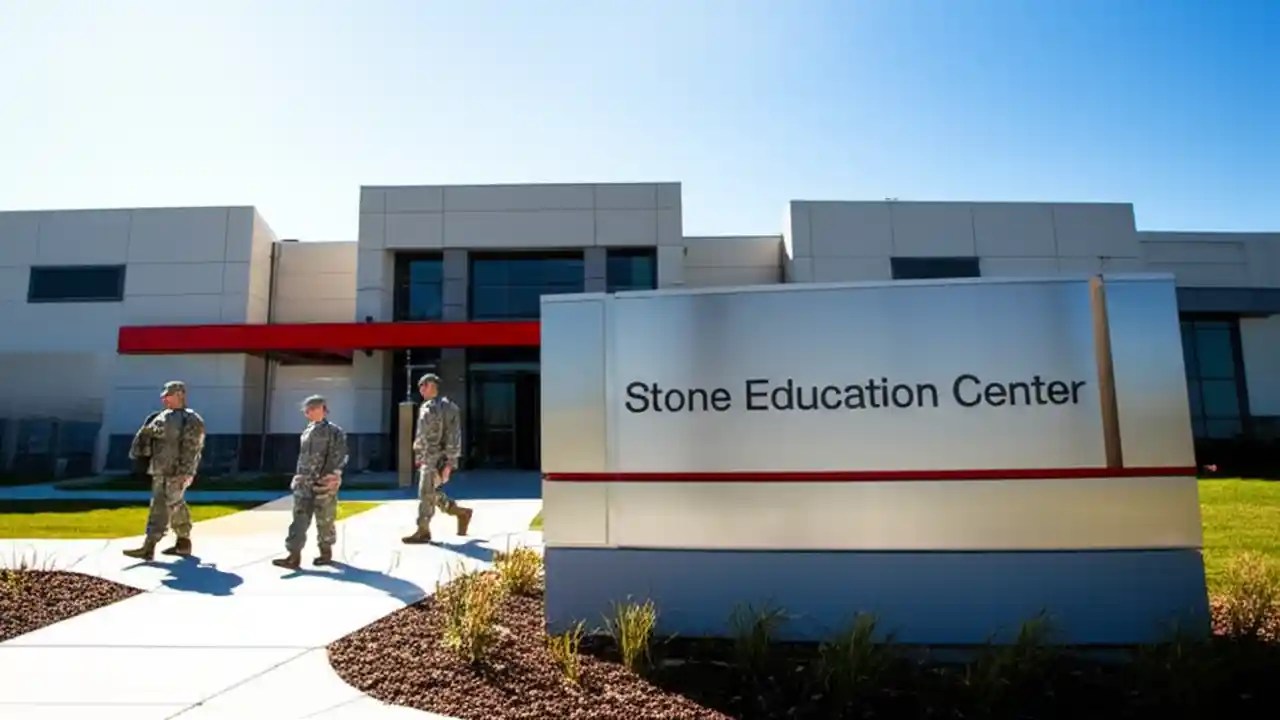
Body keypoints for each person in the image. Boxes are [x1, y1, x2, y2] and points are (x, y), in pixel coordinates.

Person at [122, 381, 206, 560]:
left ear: (180, 395)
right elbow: (149, 437)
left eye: (168, 395)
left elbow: (192, 448)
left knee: (173, 503)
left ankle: (177, 541)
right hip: (160, 469)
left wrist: (186, 472)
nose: (164, 399)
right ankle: (156, 545)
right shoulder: (160, 417)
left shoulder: (191, 419)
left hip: (177, 471)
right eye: (164, 395)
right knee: (160, 506)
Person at [273, 395, 348, 569]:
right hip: (304, 483)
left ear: (323, 408)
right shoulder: (307, 430)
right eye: (307, 409)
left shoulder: (334, 431)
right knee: (299, 519)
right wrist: (298, 475)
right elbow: (303, 457)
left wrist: (334, 475)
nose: (309, 412)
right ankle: (293, 556)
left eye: (313, 408)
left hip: (324, 482)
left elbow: (340, 454)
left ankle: (325, 553)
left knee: (325, 519)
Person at [402, 373, 472, 544]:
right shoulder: (425, 406)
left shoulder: (448, 407)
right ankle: (460, 513)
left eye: (423, 386)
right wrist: (418, 455)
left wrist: (449, 463)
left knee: (425, 493)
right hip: (426, 458)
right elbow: (421, 435)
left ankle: (423, 530)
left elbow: (454, 436)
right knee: (432, 493)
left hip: (438, 459)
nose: (421, 390)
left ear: (430, 385)